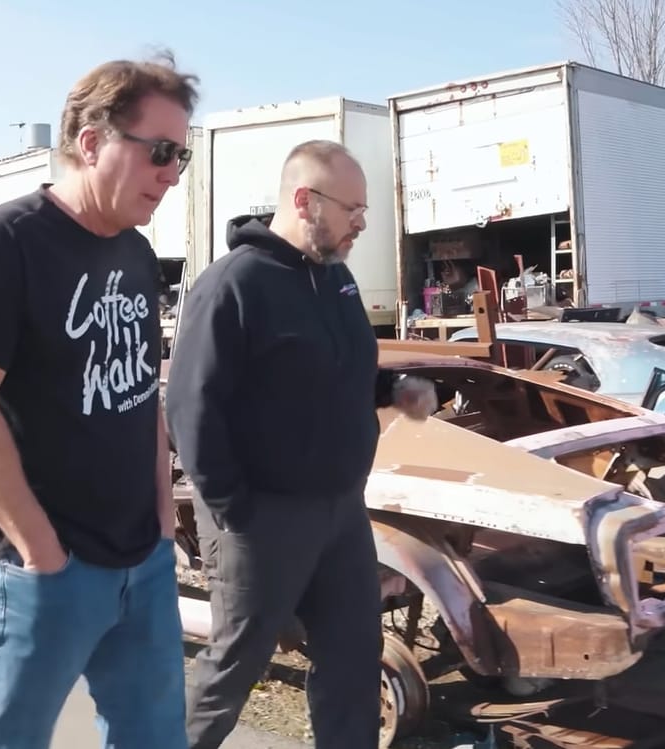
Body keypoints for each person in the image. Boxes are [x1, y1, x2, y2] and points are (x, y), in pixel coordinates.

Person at [0, 52, 199, 749]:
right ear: (92, 142)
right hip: (39, 570)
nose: (173, 172)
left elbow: (143, 391)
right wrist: (40, 548)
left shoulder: (137, 255)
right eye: (161, 151)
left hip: (140, 560)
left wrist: (164, 518)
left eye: (183, 155)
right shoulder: (0, 244)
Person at [165, 139, 438, 749]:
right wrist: (236, 511)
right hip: (261, 519)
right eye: (352, 209)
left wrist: (393, 389)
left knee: (351, 661)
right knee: (235, 668)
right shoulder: (234, 285)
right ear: (304, 201)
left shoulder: (335, 282)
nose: (362, 223)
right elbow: (190, 406)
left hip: (340, 514)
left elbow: (334, 373)